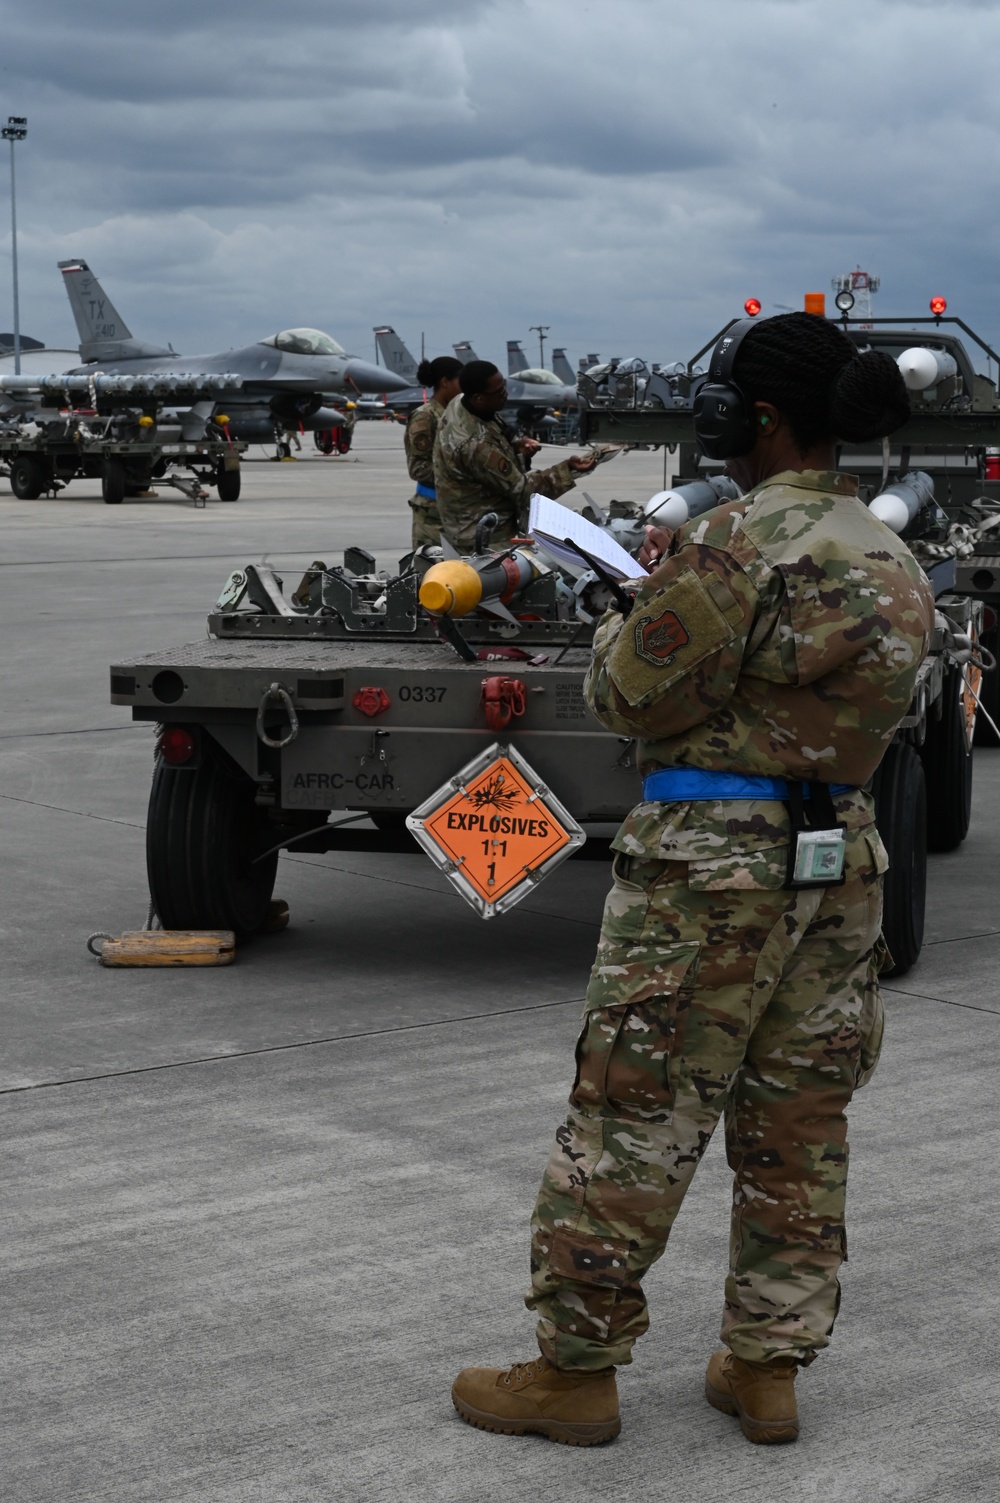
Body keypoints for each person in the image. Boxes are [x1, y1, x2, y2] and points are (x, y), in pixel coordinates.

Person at [451, 312, 935, 1448]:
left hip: (708, 879)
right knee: (798, 1125)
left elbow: (629, 697)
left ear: (759, 421)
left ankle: (574, 1372)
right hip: (839, 871)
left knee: (632, 1116)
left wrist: (638, 610)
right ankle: (766, 1368)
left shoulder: (734, 546)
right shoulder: (891, 554)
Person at [433, 360, 596, 552]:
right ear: (478, 397)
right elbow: (523, 491)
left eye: (505, 386)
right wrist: (568, 469)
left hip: (472, 525)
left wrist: (516, 444)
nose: (506, 394)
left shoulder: (461, 402)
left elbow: (495, 429)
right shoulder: (476, 446)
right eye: (499, 392)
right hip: (484, 540)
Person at [404, 356, 463, 548]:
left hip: (457, 511)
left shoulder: (457, 415)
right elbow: (418, 468)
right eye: (459, 381)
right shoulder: (425, 416)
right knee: (432, 571)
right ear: (445, 382)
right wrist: (461, 474)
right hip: (432, 515)